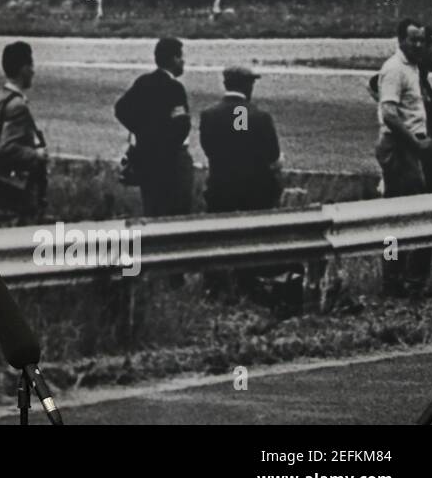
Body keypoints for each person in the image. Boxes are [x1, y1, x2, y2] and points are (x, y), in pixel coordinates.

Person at [199, 66, 296, 304]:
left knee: (219, 238)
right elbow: (273, 156)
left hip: (221, 188)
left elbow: (209, 149)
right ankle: (248, 283)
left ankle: (216, 285)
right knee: (251, 239)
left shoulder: (209, 115)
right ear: (247, 86)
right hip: (253, 191)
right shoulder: (258, 117)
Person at [375, 19, 432, 298]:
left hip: (417, 149)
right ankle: (393, 280)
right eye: (412, 40)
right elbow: (389, 113)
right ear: (400, 40)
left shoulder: (416, 69)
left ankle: (411, 280)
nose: (417, 45)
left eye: (421, 41)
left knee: (421, 214)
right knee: (397, 220)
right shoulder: (395, 69)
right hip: (402, 149)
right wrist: (414, 143)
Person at [115, 37, 194, 217]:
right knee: (176, 211)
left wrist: (143, 132)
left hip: (147, 159)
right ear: (174, 59)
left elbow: (121, 109)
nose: (183, 62)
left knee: (152, 208)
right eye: (181, 57)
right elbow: (182, 126)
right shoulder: (175, 87)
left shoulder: (143, 82)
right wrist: (164, 142)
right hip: (171, 162)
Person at [0, 41, 48, 226]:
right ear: (23, 69)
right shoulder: (17, 107)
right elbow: (7, 148)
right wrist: (36, 155)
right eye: (30, 65)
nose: (33, 71)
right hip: (13, 194)